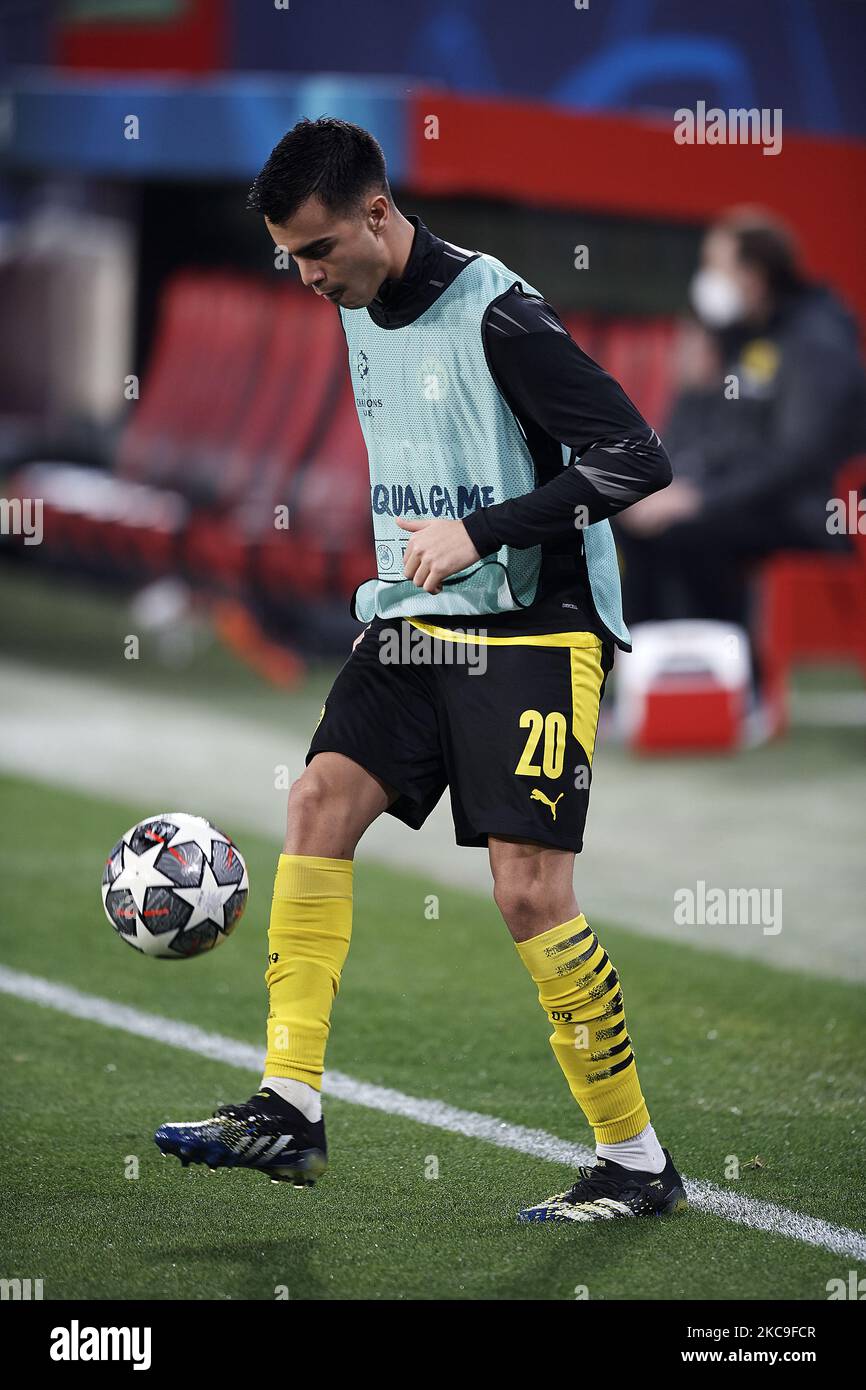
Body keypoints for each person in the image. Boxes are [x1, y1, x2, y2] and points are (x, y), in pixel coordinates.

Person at [155, 118, 687, 1224]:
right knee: (315, 801)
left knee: (527, 893)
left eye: (317, 252)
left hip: (535, 623)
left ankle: (634, 1162)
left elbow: (635, 458)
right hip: (417, 618)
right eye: (289, 258)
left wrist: (485, 530)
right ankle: (289, 1102)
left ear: (378, 213)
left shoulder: (499, 313)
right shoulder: (353, 297)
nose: (304, 277)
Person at [617, 209, 866, 649]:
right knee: (632, 520)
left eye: (716, 266)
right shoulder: (742, 337)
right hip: (743, 499)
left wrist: (700, 499)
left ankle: (733, 673)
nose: (707, 279)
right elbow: (718, 437)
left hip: (809, 512)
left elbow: (799, 458)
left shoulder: (817, 340)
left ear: (754, 275)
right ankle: (647, 670)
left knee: (689, 531)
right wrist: (669, 482)